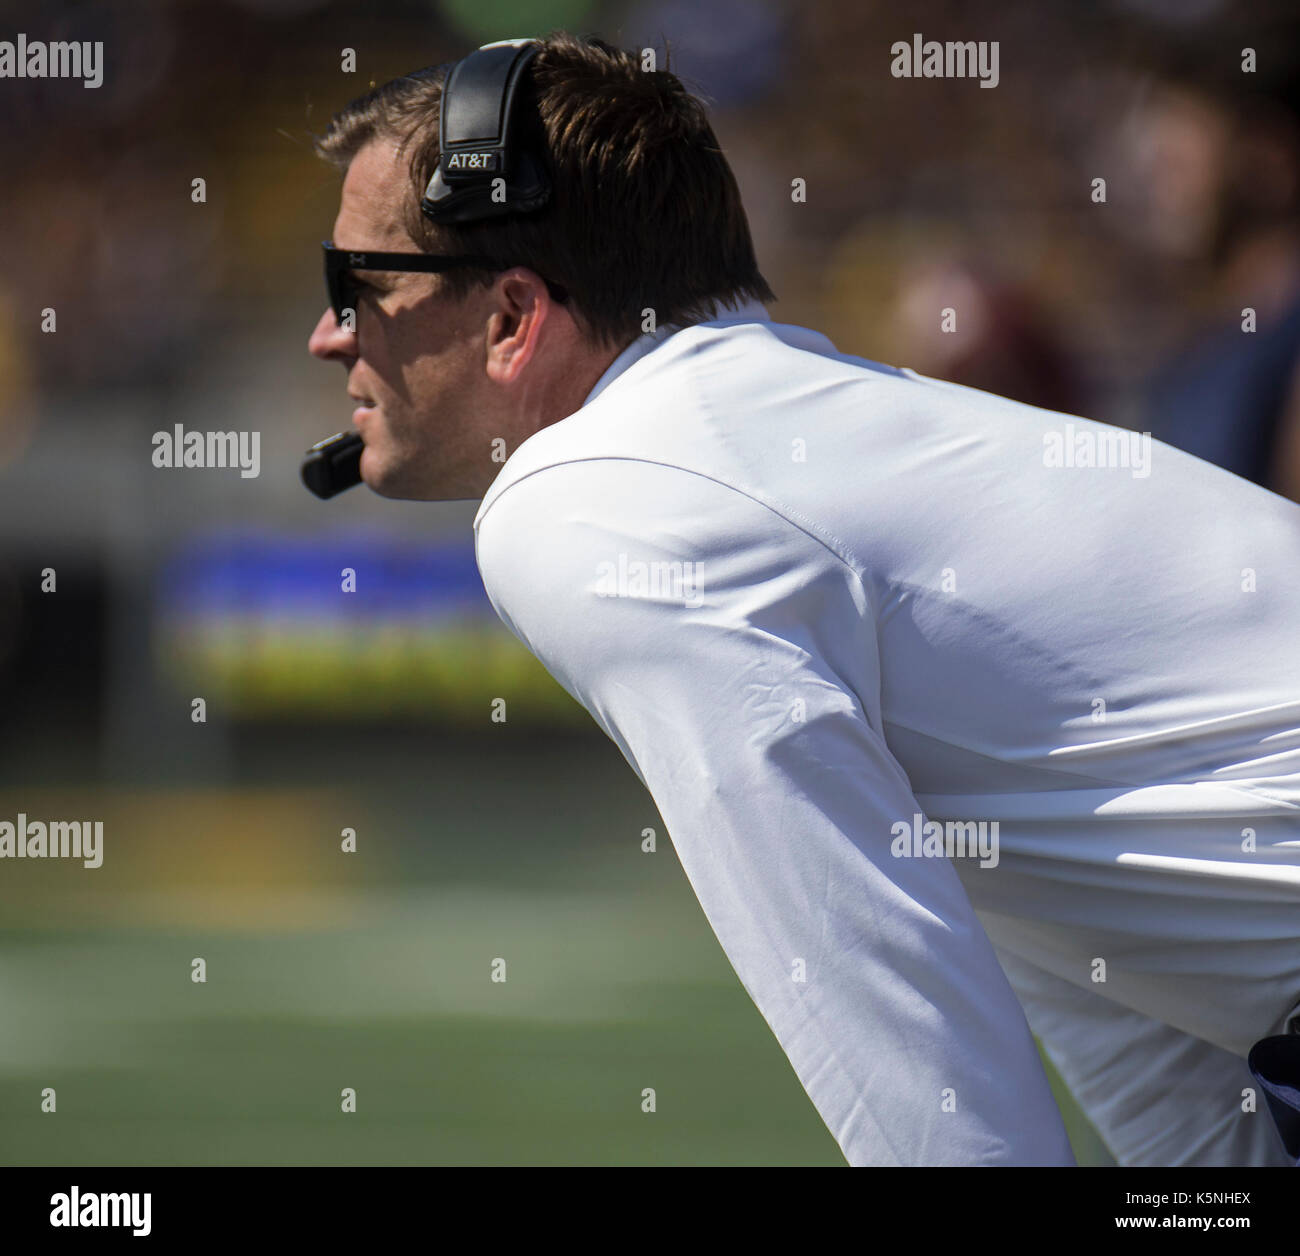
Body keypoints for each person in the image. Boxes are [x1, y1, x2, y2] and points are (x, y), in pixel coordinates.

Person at [307, 32, 1300, 1167]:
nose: (328, 332)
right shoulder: (798, 441)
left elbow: (903, 1049)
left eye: (357, 282)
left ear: (509, 317)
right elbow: (1131, 998)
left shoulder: (593, 493)